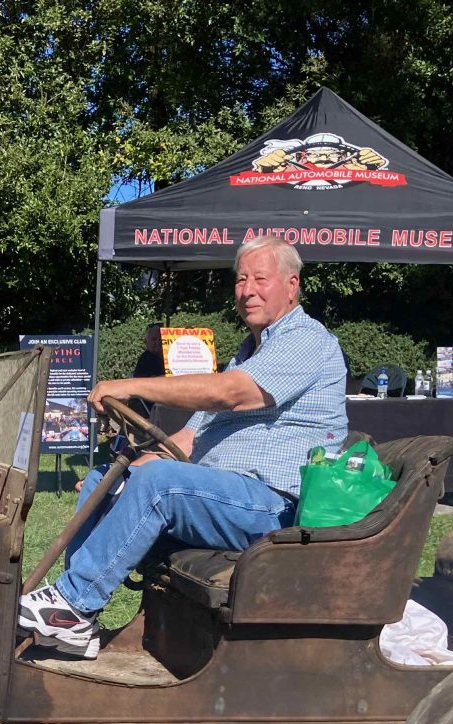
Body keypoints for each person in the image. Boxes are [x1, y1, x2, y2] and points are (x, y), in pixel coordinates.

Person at [19, 234, 348, 658]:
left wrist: (131, 385)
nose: (247, 290)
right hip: (225, 495)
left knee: (160, 484)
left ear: (291, 285)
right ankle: (76, 626)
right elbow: (187, 440)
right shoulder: (249, 353)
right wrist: (127, 468)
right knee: (109, 477)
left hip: (274, 505)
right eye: (240, 279)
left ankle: (73, 602)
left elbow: (233, 393)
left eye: (260, 279)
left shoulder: (306, 340)